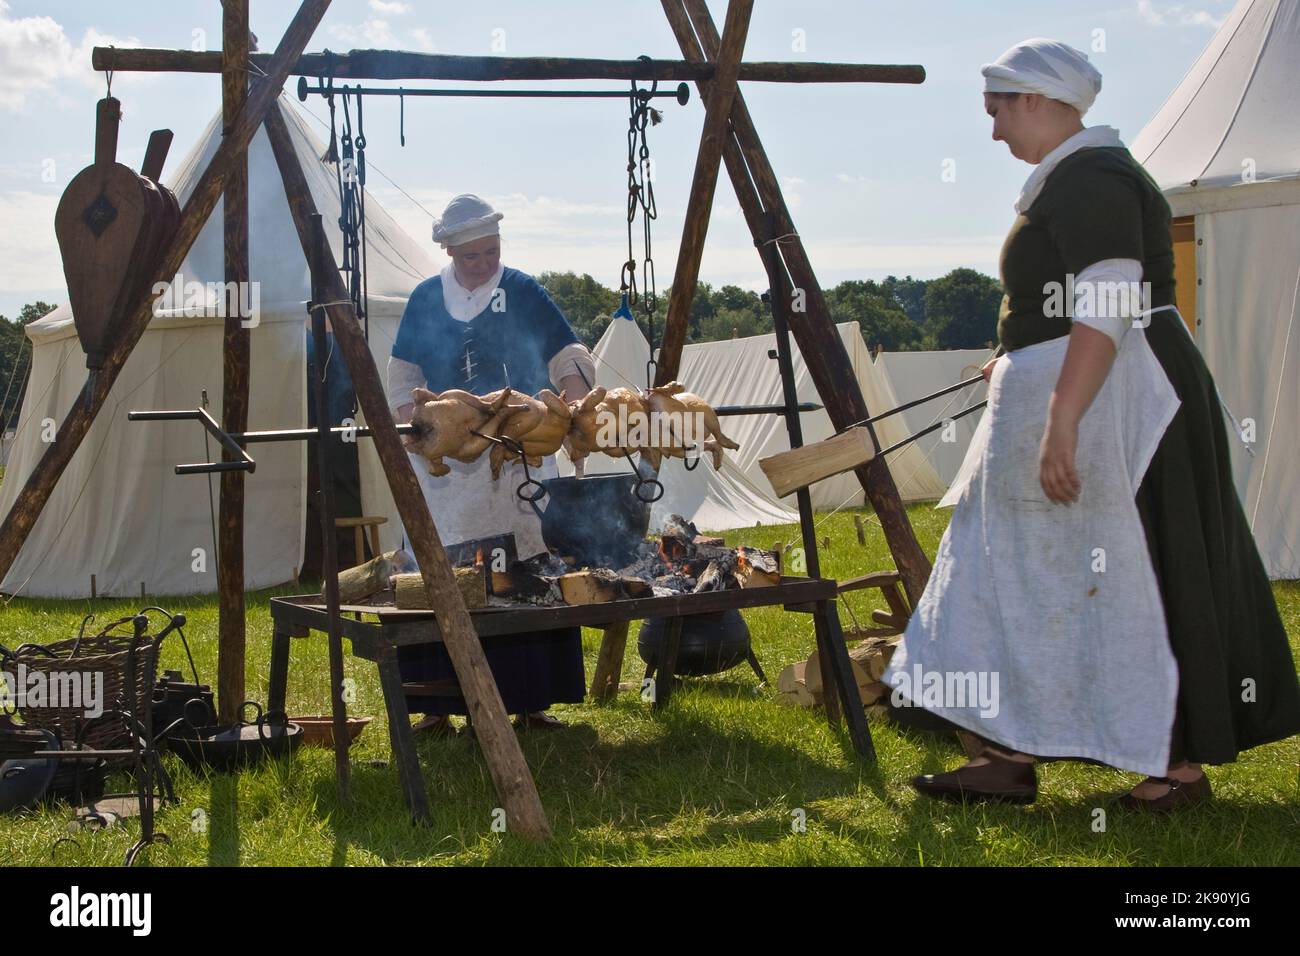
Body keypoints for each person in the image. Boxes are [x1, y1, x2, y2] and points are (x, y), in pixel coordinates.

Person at [886, 39, 1300, 810]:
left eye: (999, 110)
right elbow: (1060, 305)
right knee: (1025, 576)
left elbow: (1110, 299)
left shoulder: (1093, 177)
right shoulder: (1073, 179)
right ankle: (1008, 749)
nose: (994, 130)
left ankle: (1173, 767)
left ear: (1038, 100)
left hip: (1123, 410)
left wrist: (1063, 417)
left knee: (1137, 575)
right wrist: (1014, 358)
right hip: (1090, 396)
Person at [387, 194, 597, 735]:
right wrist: (415, 422)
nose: (483, 264)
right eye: (472, 256)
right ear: (449, 251)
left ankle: (530, 700)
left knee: (521, 568)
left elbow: (566, 353)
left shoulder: (522, 289)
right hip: (447, 472)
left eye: (491, 252)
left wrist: (573, 405)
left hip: (513, 456)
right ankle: (437, 704)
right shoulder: (425, 299)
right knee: (447, 570)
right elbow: (403, 372)